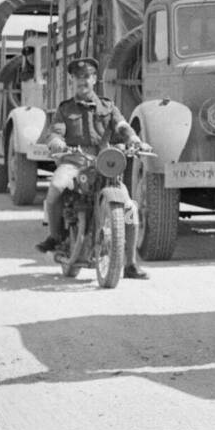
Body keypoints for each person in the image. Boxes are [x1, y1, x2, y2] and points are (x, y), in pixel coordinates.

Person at [35, 57, 149, 279]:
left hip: (104, 161)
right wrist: (57, 142)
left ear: (94, 79)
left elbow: (122, 126)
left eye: (86, 77)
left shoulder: (108, 107)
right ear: (72, 81)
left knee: (129, 209)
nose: (82, 82)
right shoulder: (65, 109)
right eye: (78, 78)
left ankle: (130, 264)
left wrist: (134, 139)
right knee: (56, 187)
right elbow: (56, 131)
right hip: (75, 160)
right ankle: (56, 237)